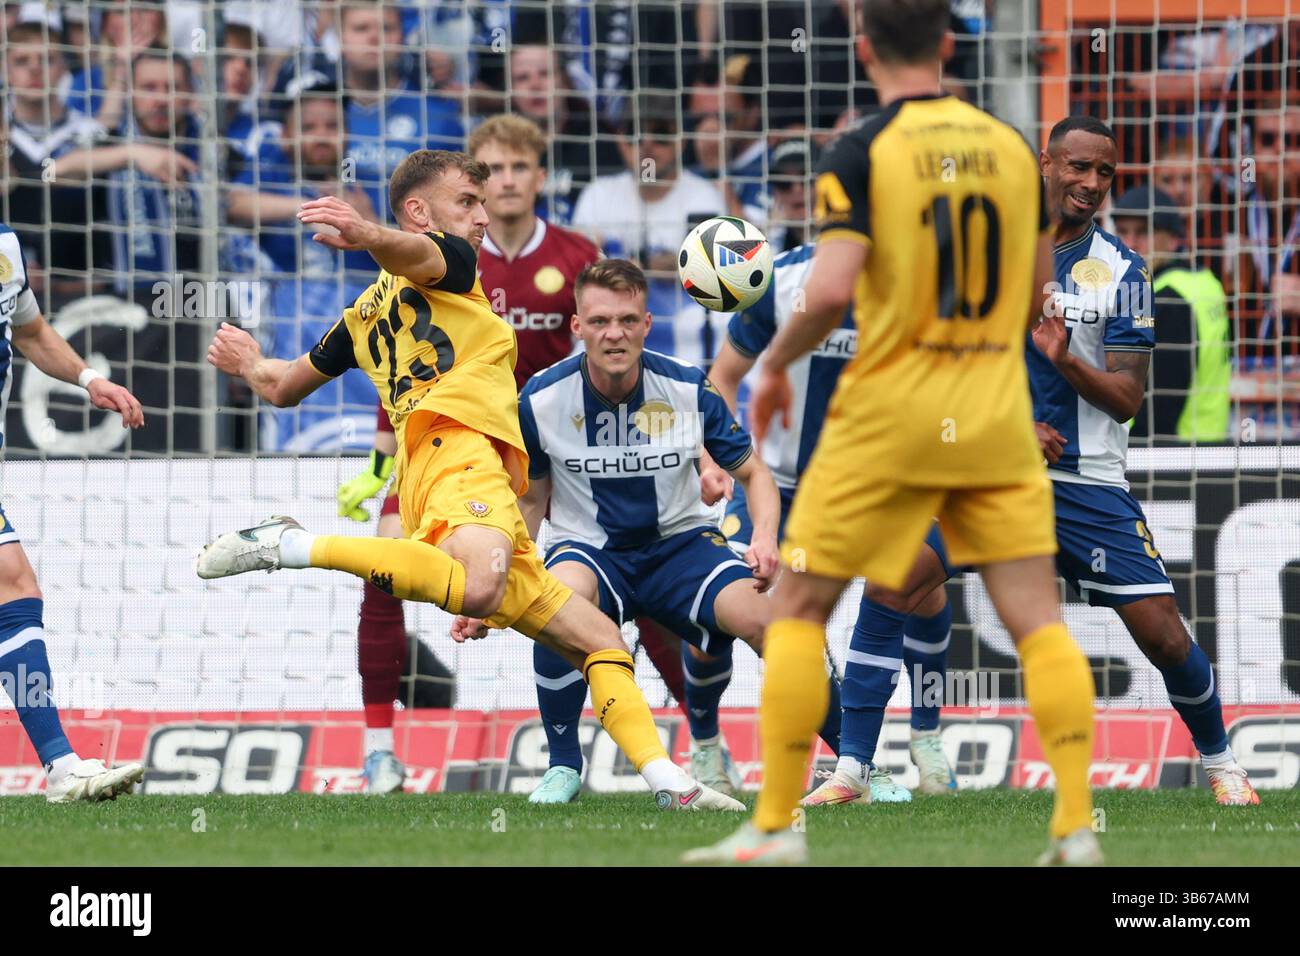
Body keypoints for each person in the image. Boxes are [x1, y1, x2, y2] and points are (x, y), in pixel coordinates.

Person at [197, 149, 741, 812]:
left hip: (444, 470)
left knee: (597, 638)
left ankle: (670, 784)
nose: (482, 218)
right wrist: (369, 233)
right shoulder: (452, 261)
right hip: (459, 454)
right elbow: (420, 255)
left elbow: (283, 388)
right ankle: (290, 544)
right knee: (479, 588)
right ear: (422, 213)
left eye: (482, 205)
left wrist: (252, 361)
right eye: (467, 204)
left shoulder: (362, 315)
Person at [686, 0, 1098, 866]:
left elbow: (831, 289)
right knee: (1039, 624)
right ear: (950, 44)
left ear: (863, 48)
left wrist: (771, 369)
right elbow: (1030, 304)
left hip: (890, 415)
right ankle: (1072, 829)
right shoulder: (1015, 154)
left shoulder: (860, 149)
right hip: (990, 415)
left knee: (796, 612)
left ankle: (773, 830)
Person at [451, 259, 839, 804]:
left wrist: (767, 538)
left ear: (648, 324)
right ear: (577, 326)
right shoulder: (539, 399)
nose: (616, 333)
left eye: (628, 320)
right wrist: (498, 580)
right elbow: (531, 499)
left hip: (680, 547)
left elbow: (756, 475)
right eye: (602, 320)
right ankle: (563, 768)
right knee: (552, 602)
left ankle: (855, 767)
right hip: (590, 550)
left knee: (771, 622)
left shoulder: (686, 386)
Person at [1029, 117, 1257, 806]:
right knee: (904, 580)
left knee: (1162, 634)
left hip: (1086, 482)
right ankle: (859, 767)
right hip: (994, 470)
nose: (1091, 183)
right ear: (1047, 162)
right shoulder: (997, 255)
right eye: (1078, 167)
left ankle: (1221, 765)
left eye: (1104, 173)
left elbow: (1128, 398)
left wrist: (1064, 360)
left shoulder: (1124, 273)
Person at [708, 241, 958, 803]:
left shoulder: (922, 285)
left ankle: (923, 733)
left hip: (881, 484)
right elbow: (722, 378)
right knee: (731, 599)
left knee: (920, 589)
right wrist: (717, 460)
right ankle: (708, 746)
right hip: (779, 487)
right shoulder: (776, 281)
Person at [0, 220, 146, 802]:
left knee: (15, 589)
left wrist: (89, 379)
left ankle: (61, 765)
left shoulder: (6, 246)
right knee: (14, 588)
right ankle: (60, 765)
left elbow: (31, 332)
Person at [1110, 185, 1231, 442]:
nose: (1131, 244)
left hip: (1173, 457)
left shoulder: (1167, 299)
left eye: (1144, 232)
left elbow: (1159, 409)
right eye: (1122, 232)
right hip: (1208, 441)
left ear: (1174, 238)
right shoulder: (1206, 281)